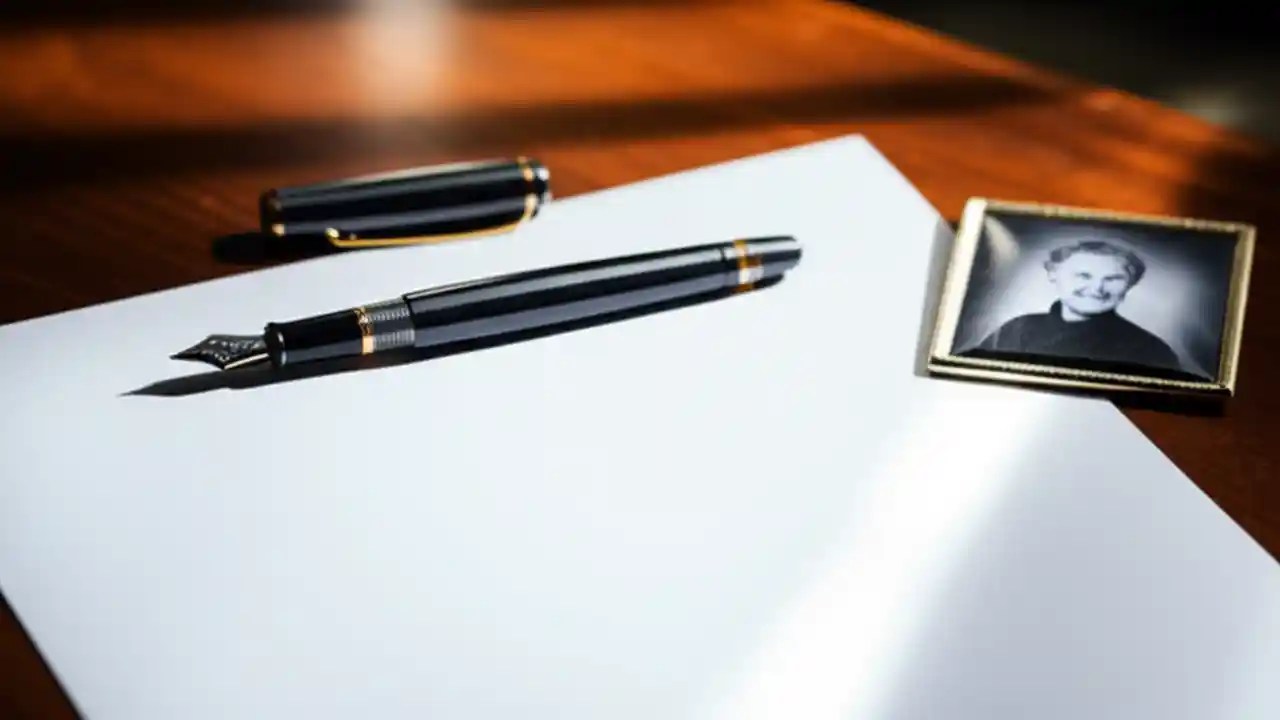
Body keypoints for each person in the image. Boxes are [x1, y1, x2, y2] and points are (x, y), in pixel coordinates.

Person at [974, 239, 1181, 371]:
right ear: (1053, 275)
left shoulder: (1150, 350)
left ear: (1129, 285)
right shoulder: (1017, 329)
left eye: (1113, 278)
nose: (1097, 288)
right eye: (1084, 275)